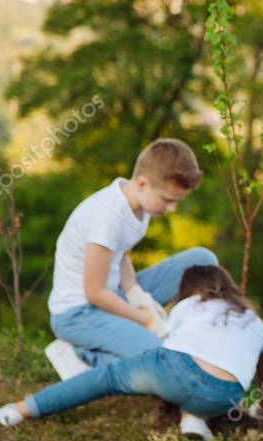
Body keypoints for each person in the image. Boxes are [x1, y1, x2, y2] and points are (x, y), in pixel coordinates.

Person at [0, 264, 263, 441]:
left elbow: (169, 345)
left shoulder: (191, 304)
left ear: (191, 291)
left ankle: (22, 409)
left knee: (107, 378)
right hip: (223, 396)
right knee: (195, 383)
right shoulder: (255, 320)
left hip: (176, 372)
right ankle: (194, 420)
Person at [44, 138, 218, 378]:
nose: (171, 209)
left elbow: (121, 252)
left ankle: (180, 330)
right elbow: (94, 293)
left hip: (113, 295)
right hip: (79, 314)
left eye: (176, 202)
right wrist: (146, 320)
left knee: (203, 261)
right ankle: (81, 356)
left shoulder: (140, 204)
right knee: (164, 358)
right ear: (142, 183)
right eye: (167, 200)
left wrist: (135, 291)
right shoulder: (108, 216)